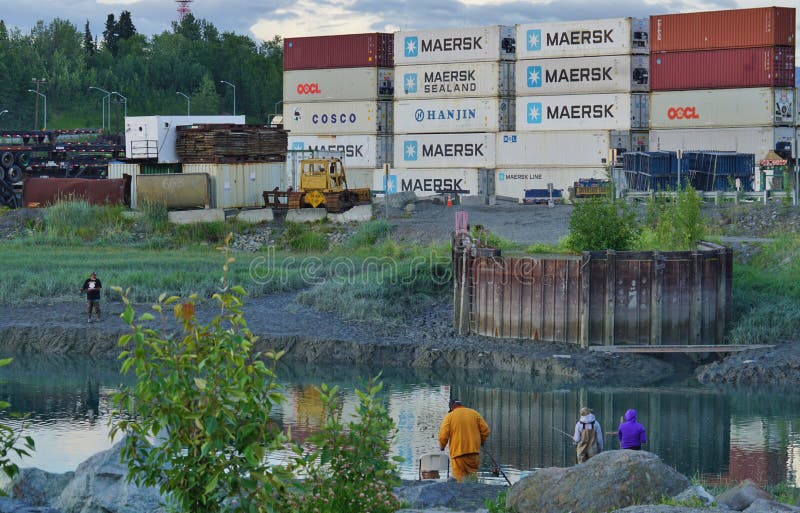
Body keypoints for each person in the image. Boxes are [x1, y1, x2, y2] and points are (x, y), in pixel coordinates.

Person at [438, 399, 490, 482]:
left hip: (458, 454)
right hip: (473, 453)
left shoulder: (449, 416)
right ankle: (473, 492)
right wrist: (481, 441)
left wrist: (442, 446)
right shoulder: (474, 413)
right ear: (460, 405)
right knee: (473, 478)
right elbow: (486, 430)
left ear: (451, 408)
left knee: (459, 480)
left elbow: (443, 435)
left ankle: (460, 494)